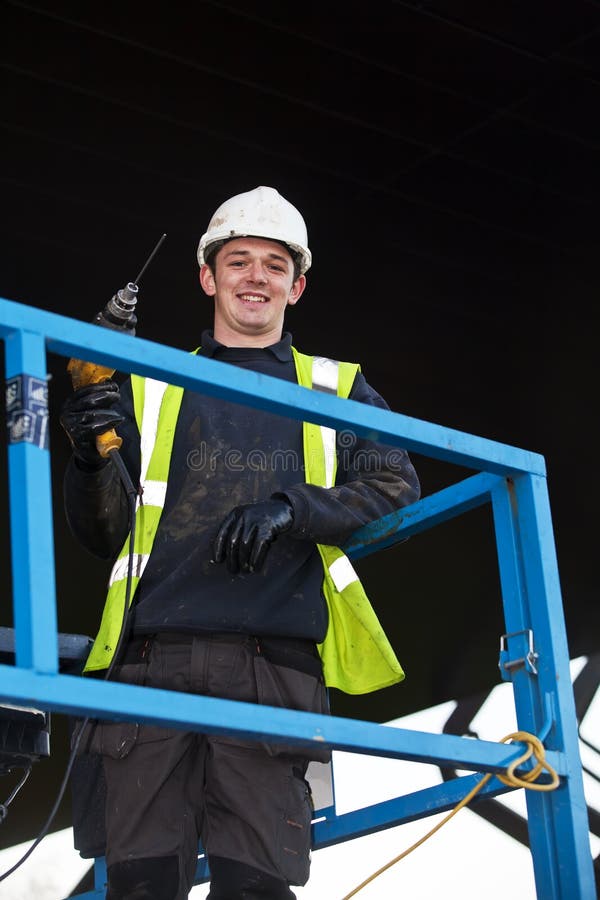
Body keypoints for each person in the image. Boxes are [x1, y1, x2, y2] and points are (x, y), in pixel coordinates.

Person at [60, 185, 420, 900]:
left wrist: (292, 510)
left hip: (272, 669)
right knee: (139, 886)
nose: (256, 277)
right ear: (208, 277)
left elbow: (394, 482)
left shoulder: (334, 387)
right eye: (238, 261)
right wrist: (88, 459)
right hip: (150, 665)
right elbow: (101, 533)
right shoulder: (151, 384)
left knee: (255, 888)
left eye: (274, 265)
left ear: (297, 286)